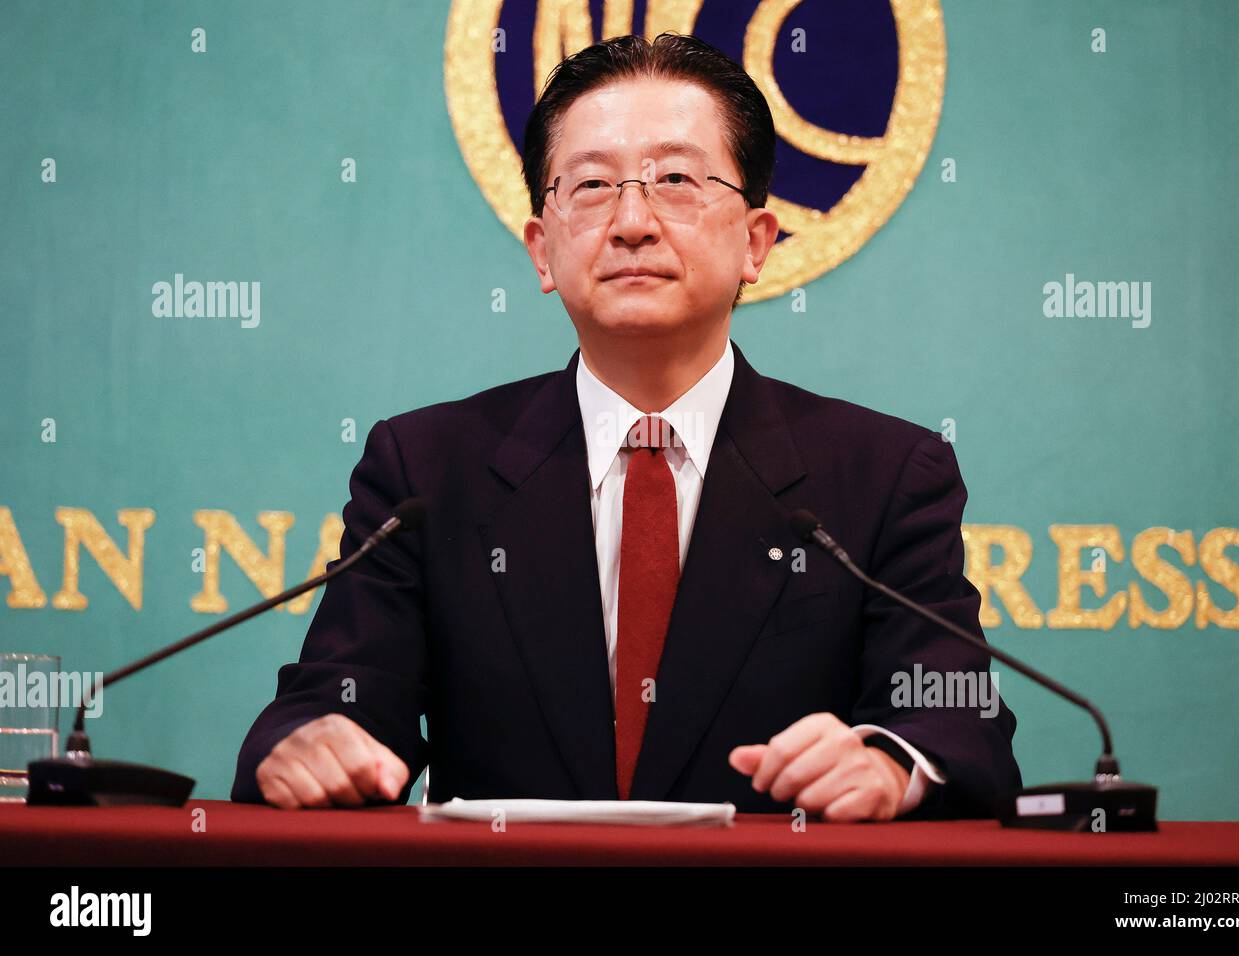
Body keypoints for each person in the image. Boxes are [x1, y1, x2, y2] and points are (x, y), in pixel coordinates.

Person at [232, 33, 1021, 821]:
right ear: (542, 251)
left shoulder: (883, 476)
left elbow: (956, 721)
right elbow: (341, 699)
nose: (632, 221)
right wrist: (307, 742)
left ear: (756, 243)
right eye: (593, 186)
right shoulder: (428, 471)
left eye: (676, 178)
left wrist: (890, 762)